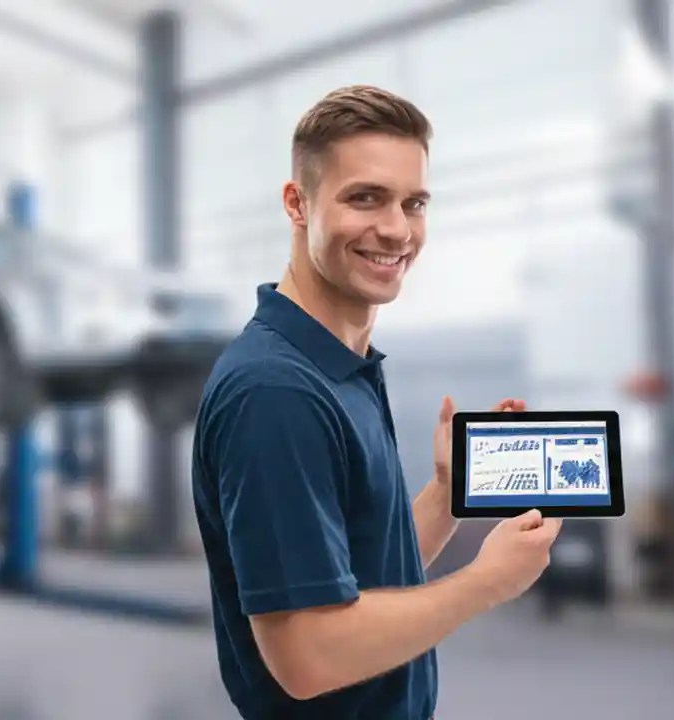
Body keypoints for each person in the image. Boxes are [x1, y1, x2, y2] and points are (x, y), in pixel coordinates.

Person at [191, 85, 563, 719]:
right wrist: (486, 582)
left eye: (413, 203)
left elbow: (355, 581)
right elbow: (308, 655)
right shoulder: (277, 393)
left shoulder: (340, 370)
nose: (396, 229)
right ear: (297, 203)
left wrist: (444, 498)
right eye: (365, 198)